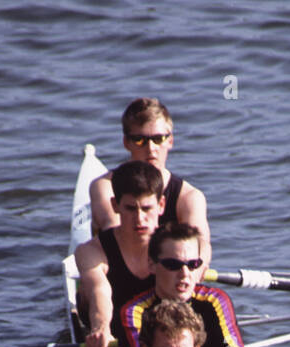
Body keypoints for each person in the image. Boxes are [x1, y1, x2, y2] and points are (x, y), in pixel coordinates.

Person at [118, 223, 246, 347]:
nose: (184, 274)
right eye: (173, 265)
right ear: (152, 265)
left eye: (193, 265)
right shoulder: (134, 312)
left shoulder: (215, 301)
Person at [89, 98, 211, 262]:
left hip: (171, 278)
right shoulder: (105, 187)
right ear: (126, 143)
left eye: (158, 139)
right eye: (140, 140)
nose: (151, 148)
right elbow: (114, 228)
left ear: (170, 141)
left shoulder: (189, 197)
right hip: (119, 273)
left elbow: (201, 246)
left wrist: (196, 267)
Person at [74, 160, 163, 347]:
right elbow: (100, 291)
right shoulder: (92, 251)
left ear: (161, 206)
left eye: (147, 208)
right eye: (131, 208)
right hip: (114, 340)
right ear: (115, 206)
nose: (139, 218)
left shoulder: (174, 247)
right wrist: (101, 328)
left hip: (160, 336)